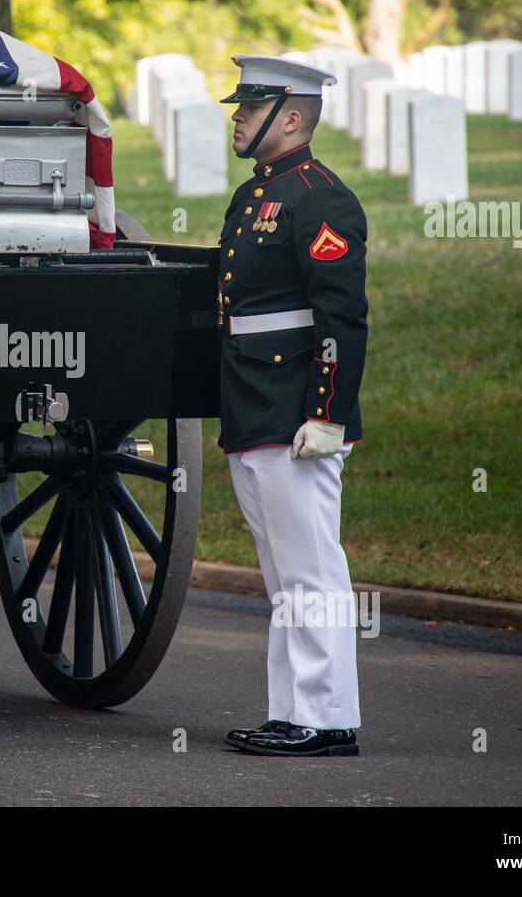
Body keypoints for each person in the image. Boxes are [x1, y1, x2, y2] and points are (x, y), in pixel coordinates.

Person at [214, 56, 369, 757]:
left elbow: (341, 317)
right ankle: (292, 710)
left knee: (310, 566)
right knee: (283, 569)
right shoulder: (256, 196)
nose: (238, 118)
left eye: (251, 108)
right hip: (254, 401)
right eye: (240, 107)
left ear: (294, 117)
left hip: (295, 405)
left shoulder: (321, 198)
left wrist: (328, 411)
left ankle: (328, 716)